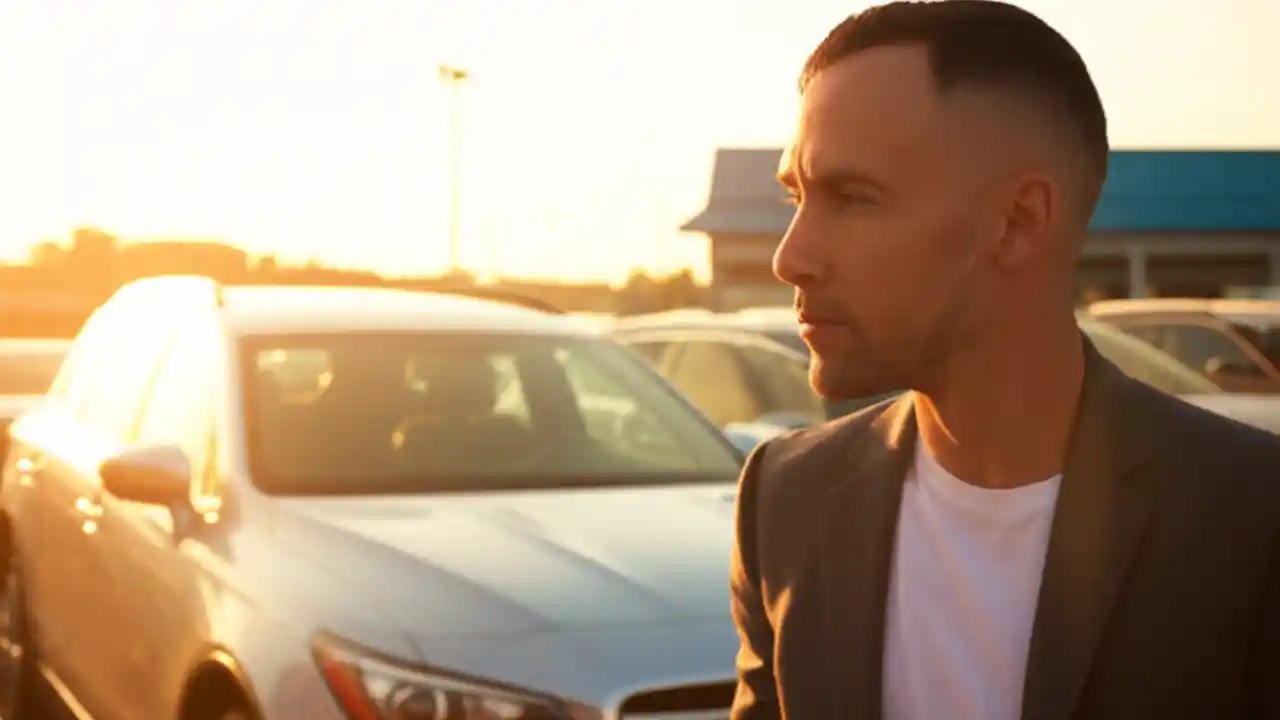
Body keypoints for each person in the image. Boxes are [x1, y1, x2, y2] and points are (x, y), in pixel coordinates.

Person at [728, 2, 1280, 719]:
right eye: (797, 198)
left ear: (1019, 222)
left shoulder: (1249, 518)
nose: (789, 256)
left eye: (852, 198)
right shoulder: (785, 500)